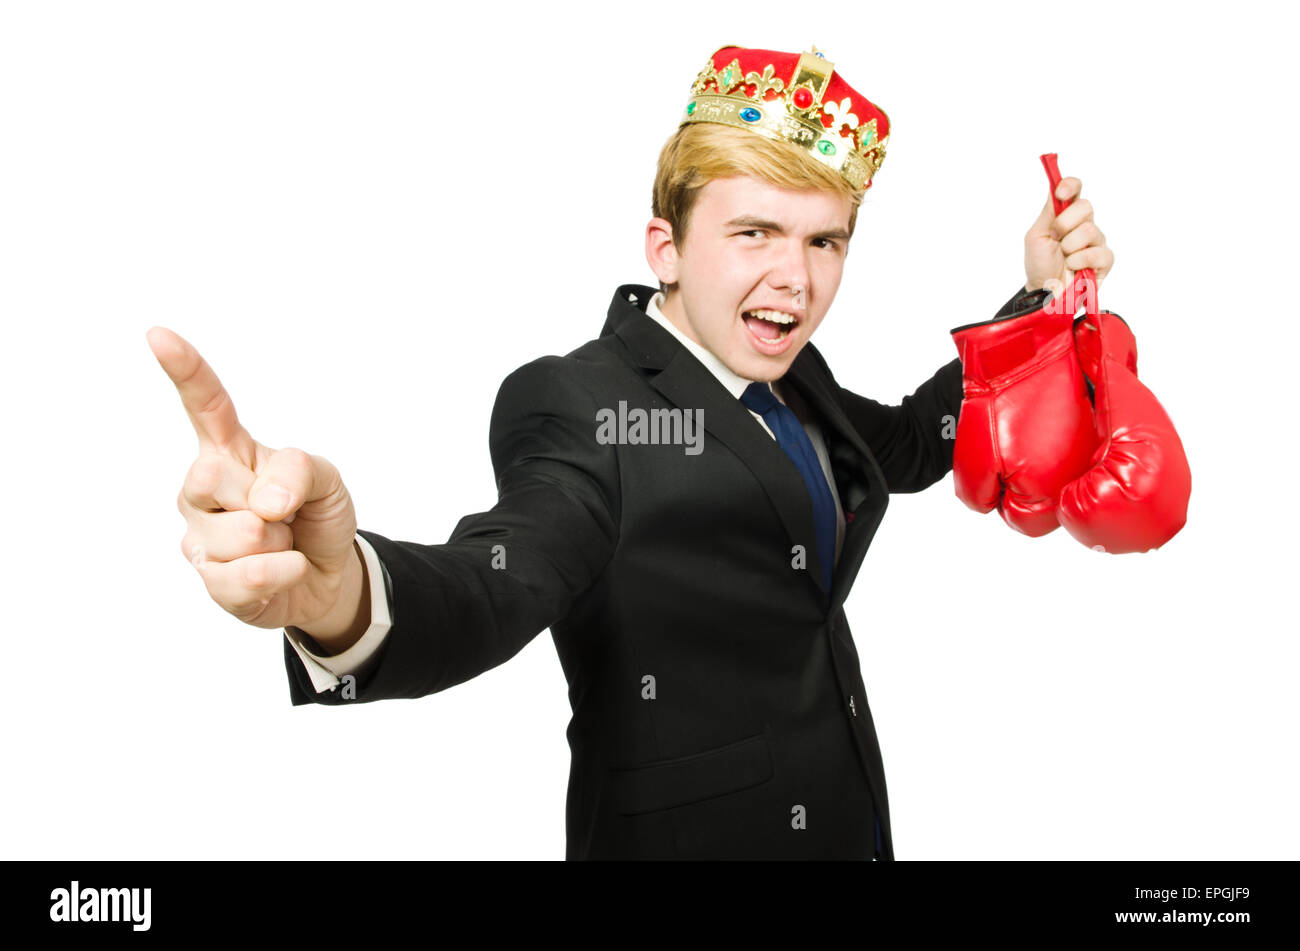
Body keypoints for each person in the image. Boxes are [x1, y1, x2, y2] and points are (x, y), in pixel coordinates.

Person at [149, 45, 1114, 859]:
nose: (797, 277)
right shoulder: (582, 405)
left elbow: (903, 443)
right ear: (666, 246)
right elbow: (499, 578)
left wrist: (1031, 298)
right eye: (754, 232)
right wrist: (345, 599)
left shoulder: (793, 373)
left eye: (826, 242)